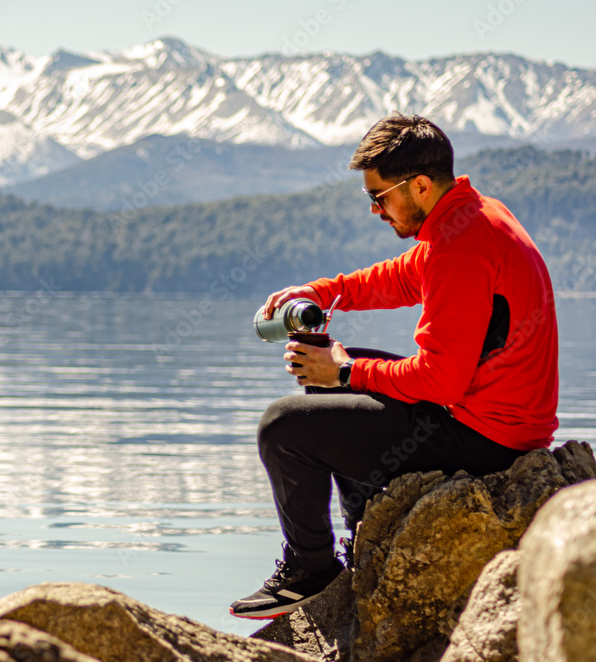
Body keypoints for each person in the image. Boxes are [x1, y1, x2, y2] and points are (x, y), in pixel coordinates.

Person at [228, 112, 559, 620]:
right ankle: (366, 534)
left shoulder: (460, 246)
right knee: (335, 381)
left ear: (420, 186)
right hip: (493, 421)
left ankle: (311, 570)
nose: (375, 210)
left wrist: (343, 373)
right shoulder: (470, 217)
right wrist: (321, 292)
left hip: (488, 443)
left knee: (282, 426)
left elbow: (441, 380)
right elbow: (397, 280)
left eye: (379, 197)